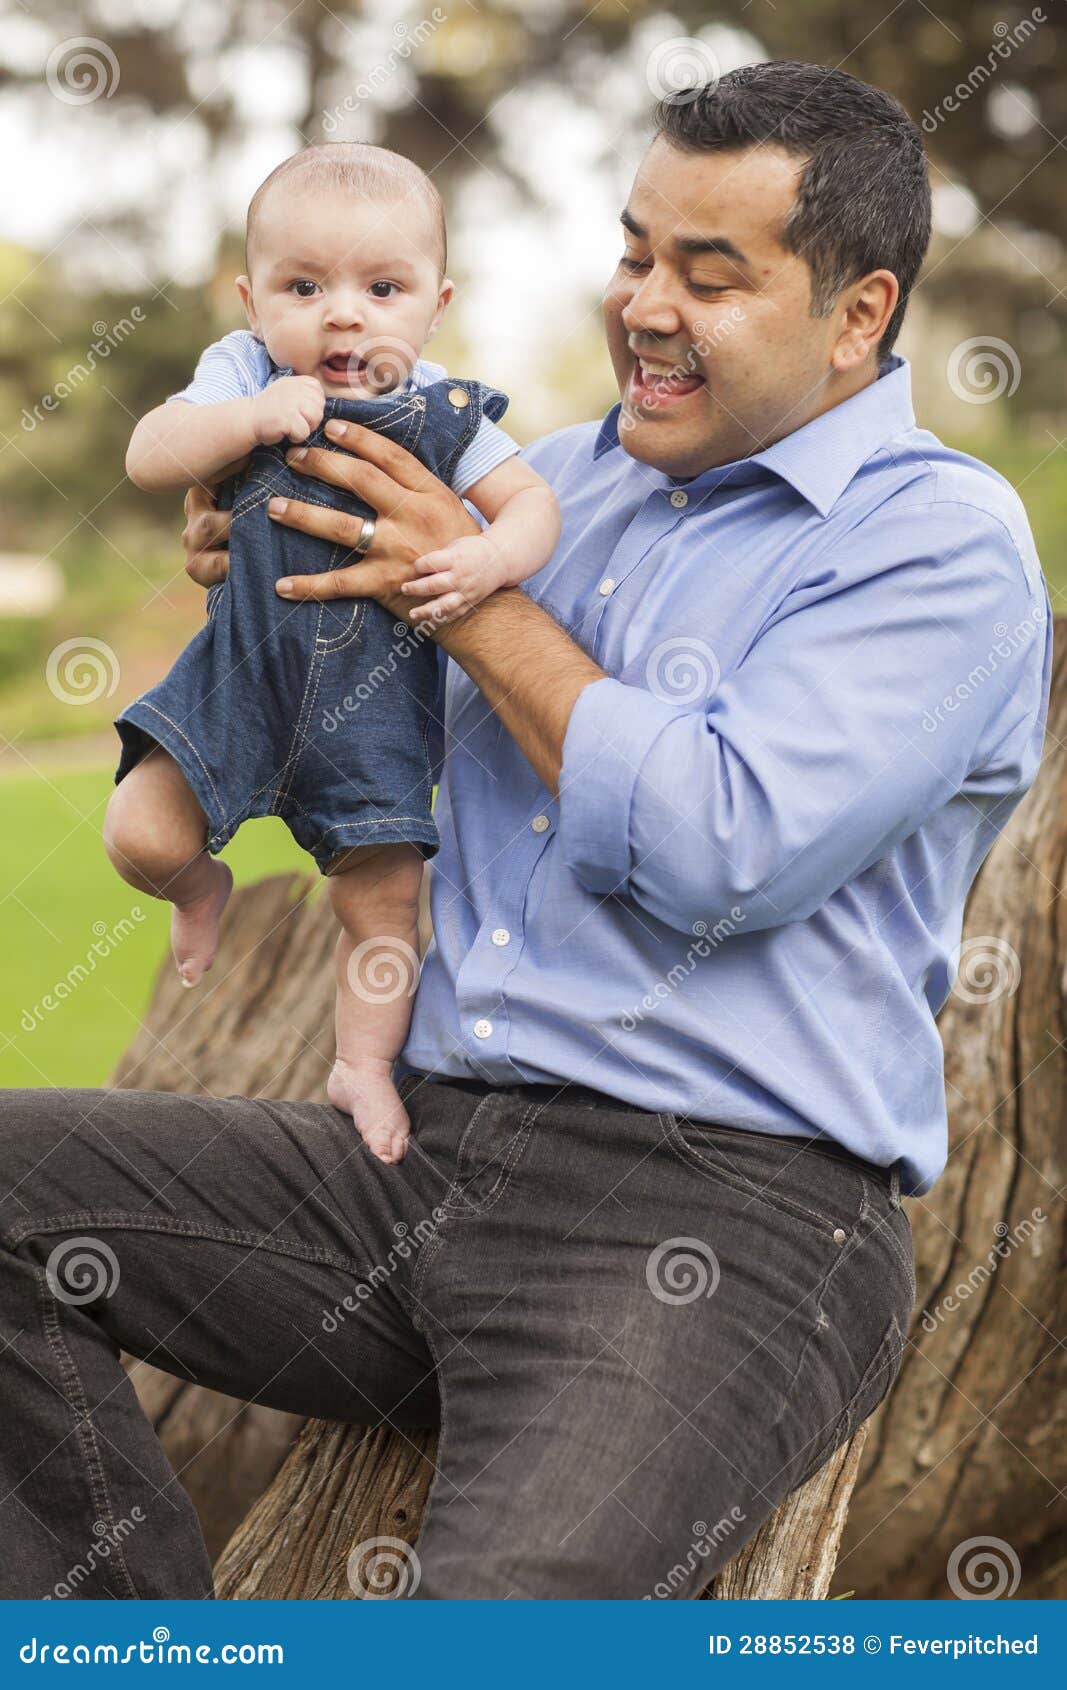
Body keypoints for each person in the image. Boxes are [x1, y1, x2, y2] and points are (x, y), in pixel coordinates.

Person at [0, 62, 1051, 1601]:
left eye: (709, 273)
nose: (643, 304)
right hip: (412, 1157)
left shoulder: (938, 546)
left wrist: (471, 596)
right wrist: (260, 562)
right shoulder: (545, 484)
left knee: (490, 1633)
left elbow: (722, 845)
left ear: (853, 312)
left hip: (724, 1213)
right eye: (634, 253)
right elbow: (341, 731)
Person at [108, 143, 560, 1162]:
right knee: (138, 832)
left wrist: (488, 561)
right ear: (251, 298)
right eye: (303, 285)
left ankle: (361, 1068)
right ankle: (198, 889)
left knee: (383, 910)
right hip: (239, 679)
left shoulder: (447, 410)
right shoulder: (243, 373)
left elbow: (532, 506)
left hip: (373, 702)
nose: (343, 313)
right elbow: (147, 454)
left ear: (434, 305)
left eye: (381, 286)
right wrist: (246, 421)